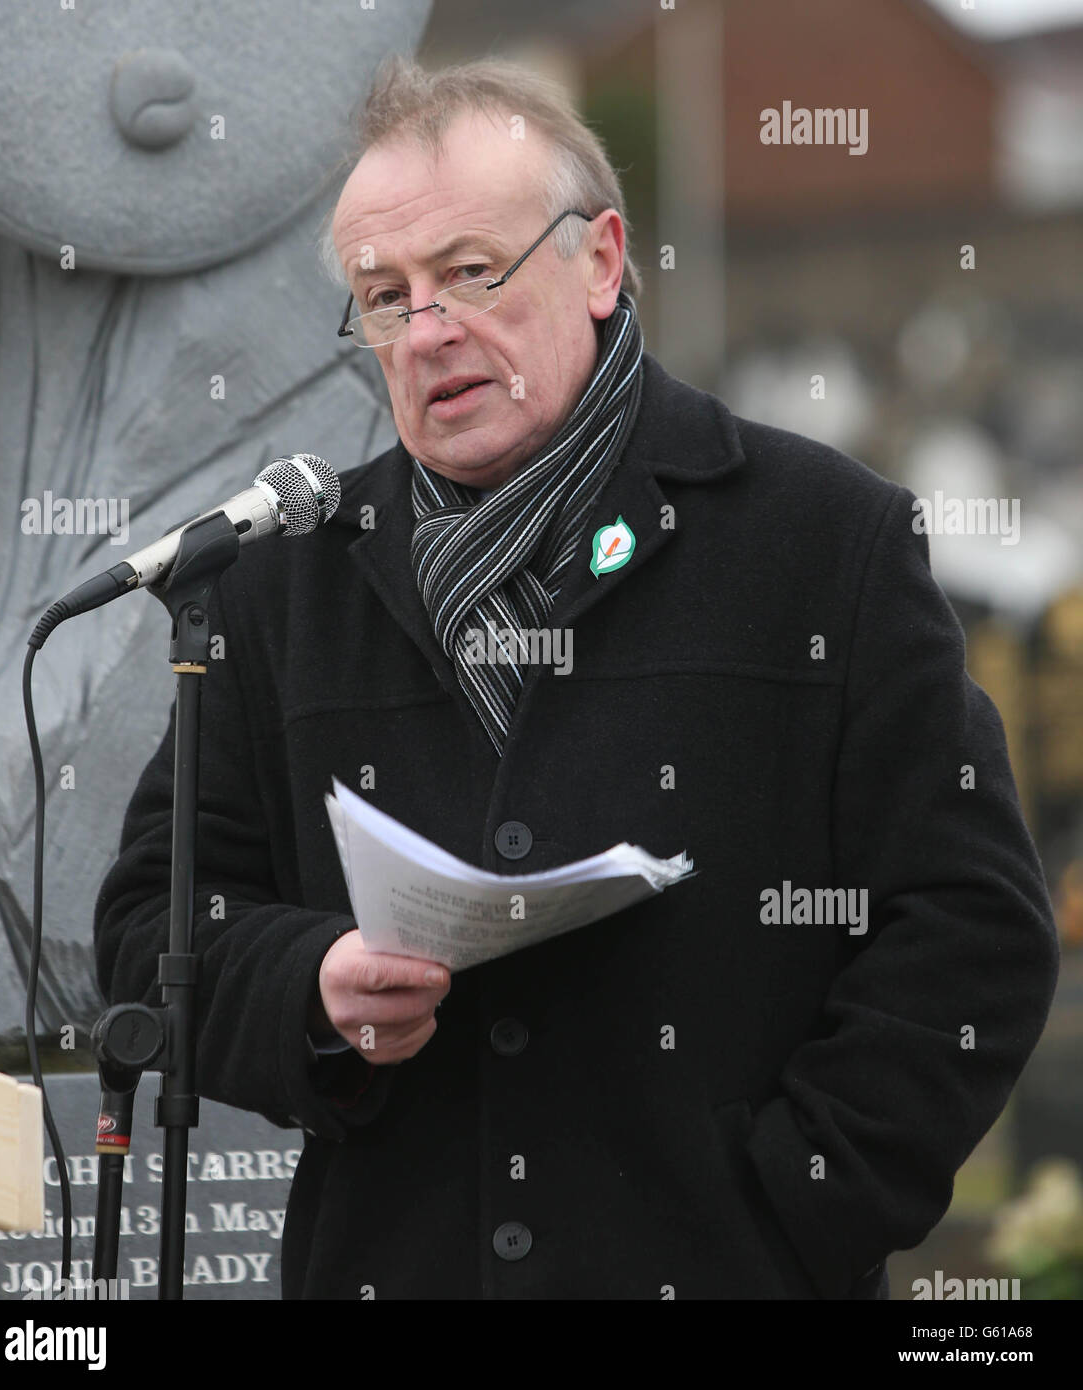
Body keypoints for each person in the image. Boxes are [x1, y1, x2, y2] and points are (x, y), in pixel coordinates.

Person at [93, 56, 1060, 1300]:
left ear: (599, 261)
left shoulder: (823, 541)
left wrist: (789, 1209)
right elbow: (148, 931)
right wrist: (310, 985)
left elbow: (973, 930)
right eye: (382, 296)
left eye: (470, 273)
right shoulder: (282, 583)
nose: (427, 329)